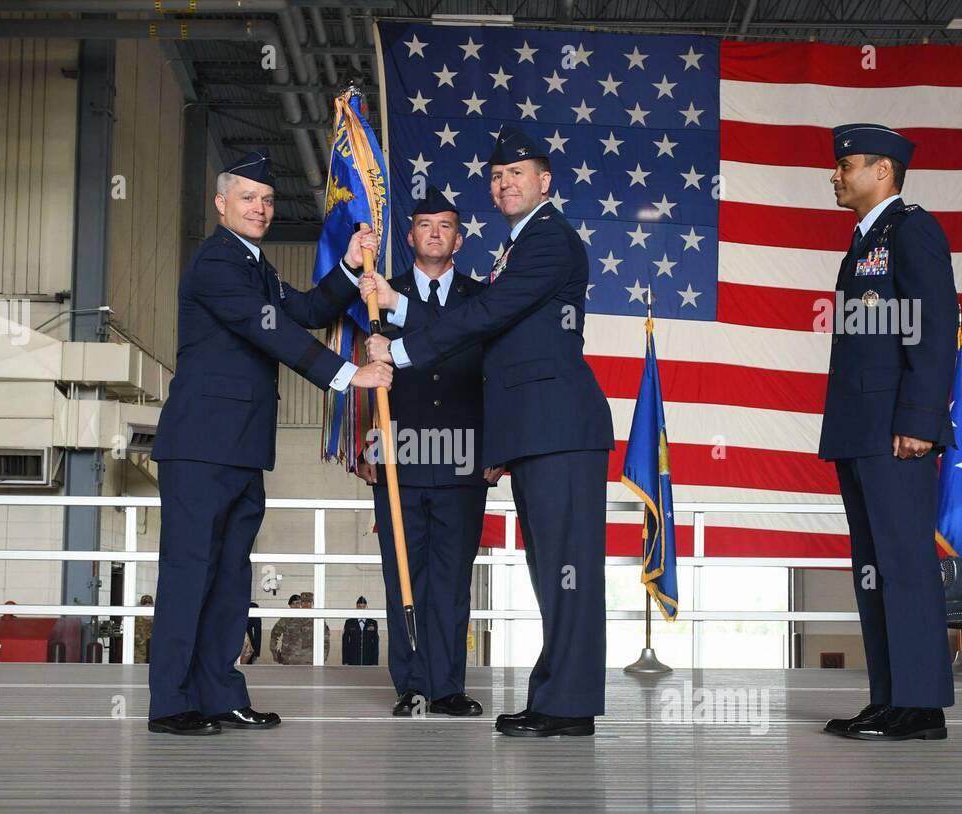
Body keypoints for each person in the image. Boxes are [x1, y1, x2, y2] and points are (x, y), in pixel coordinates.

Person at [361, 128, 614, 738]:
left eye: (517, 174)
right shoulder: (518, 245)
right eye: (497, 177)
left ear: (545, 182)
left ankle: (568, 704)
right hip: (535, 431)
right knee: (553, 570)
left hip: (559, 428)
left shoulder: (547, 240)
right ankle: (558, 698)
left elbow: (487, 316)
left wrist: (403, 346)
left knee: (568, 571)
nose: (505, 184)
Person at [147, 149, 392, 736]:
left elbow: (304, 309)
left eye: (267, 199)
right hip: (201, 447)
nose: (260, 208)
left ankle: (220, 693)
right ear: (221, 204)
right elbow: (271, 330)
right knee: (190, 574)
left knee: (232, 578)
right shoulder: (215, 263)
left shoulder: (254, 266)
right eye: (247, 198)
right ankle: (170, 702)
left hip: (242, 448)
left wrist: (352, 267)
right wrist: (344, 375)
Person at [819, 123, 957, 742]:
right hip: (860, 428)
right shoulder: (860, 243)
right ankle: (889, 697)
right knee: (872, 567)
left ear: (883, 172)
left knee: (904, 565)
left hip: (898, 430)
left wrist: (920, 422)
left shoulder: (913, 231)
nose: (836, 174)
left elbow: (932, 331)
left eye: (847, 165)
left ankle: (922, 706)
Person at [355, 187, 494, 715]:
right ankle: (412, 685)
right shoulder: (375, 293)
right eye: (424, 224)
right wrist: (363, 444)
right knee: (403, 575)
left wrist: (496, 447)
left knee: (452, 578)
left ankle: (447, 687)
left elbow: (486, 371)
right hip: (398, 455)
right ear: (409, 235)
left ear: (459, 239)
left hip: (463, 457)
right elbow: (361, 376)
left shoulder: (480, 298)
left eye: (445, 225)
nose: (434, 233)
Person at [269, 593, 329, 665]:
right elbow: (274, 634)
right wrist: (274, 653)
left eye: (309, 602)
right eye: (303, 602)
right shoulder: (288, 618)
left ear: (312, 604)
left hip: (310, 661)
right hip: (289, 660)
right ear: (300, 603)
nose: (306, 605)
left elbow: (325, 640)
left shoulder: (318, 620)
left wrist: (323, 657)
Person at [341, 595, 380, 667]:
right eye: (359, 607)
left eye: (363, 607)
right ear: (356, 607)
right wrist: (345, 661)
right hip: (353, 660)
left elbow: (375, 644)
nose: (361, 609)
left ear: (366, 607)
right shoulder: (349, 622)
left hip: (368, 660)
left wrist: (375, 662)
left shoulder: (373, 623)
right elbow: (345, 643)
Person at [134, 593, 154, 664]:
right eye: (145, 603)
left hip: (153, 656)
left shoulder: (157, 622)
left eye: (149, 603)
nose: (147, 605)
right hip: (139, 658)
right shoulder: (135, 622)